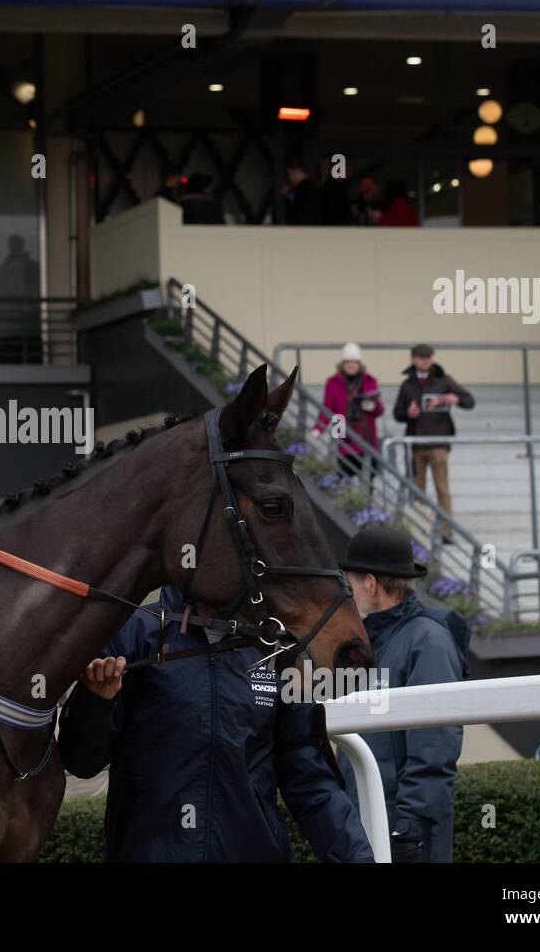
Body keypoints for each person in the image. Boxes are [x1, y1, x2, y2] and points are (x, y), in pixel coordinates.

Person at [58, 585, 375, 863]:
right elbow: (82, 761)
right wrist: (95, 701)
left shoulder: (277, 649)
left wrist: (357, 857)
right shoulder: (135, 630)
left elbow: (310, 782)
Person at [335, 527, 469, 863]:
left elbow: (434, 747)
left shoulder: (428, 642)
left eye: (349, 580)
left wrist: (410, 829)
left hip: (402, 835)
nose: (345, 590)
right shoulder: (372, 641)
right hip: (368, 827)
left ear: (370, 583)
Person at [393, 344, 475, 540]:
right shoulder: (407, 385)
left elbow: (469, 401)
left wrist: (451, 399)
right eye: (421, 357)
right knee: (417, 490)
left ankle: (447, 532)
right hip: (416, 444)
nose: (425, 361)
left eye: (428, 357)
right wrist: (408, 414)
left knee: (442, 489)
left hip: (439, 443)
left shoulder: (443, 380)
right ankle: (418, 532)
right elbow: (397, 414)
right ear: (413, 359)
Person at [313, 342, 383, 480]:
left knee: (368, 481)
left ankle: (365, 502)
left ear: (359, 363)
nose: (351, 365)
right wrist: (318, 429)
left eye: (355, 362)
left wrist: (373, 406)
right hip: (342, 437)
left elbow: (380, 411)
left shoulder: (370, 381)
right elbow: (327, 408)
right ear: (343, 363)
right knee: (341, 480)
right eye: (348, 362)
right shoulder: (332, 382)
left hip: (366, 438)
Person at [282, 157, 322, 225]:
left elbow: (298, 213)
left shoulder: (303, 189)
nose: (289, 178)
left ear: (297, 172)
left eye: (289, 174)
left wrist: (287, 196)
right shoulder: (310, 187)